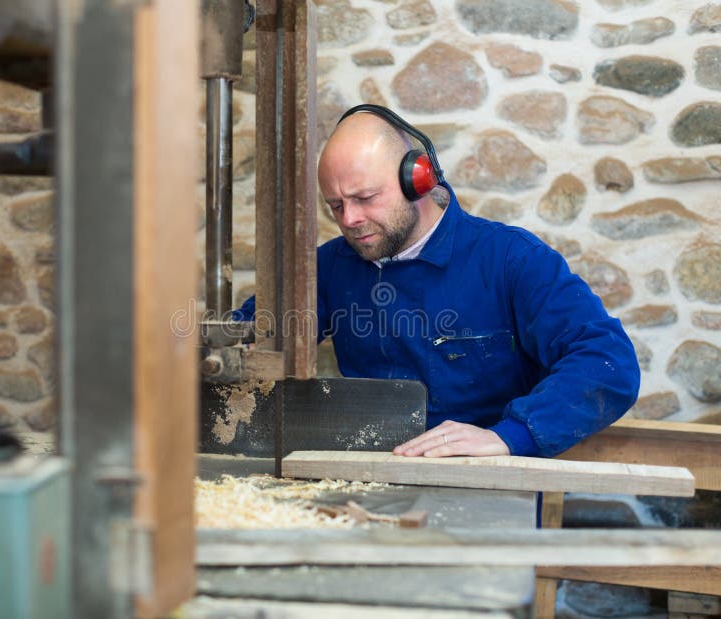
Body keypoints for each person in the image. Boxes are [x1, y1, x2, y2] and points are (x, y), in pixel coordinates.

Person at [237, 105, 640, 458]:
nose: (349, 220)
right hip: (365, 479)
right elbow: (255, 329)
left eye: (365, 198)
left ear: (419, 179)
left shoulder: (510, 260)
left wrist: (510, 436)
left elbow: (608, 361)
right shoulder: (331, 266)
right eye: (337, 205)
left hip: (487, 488)